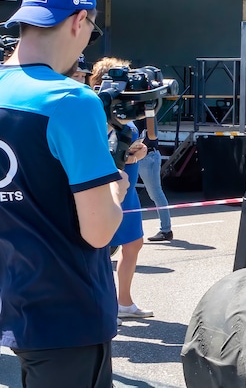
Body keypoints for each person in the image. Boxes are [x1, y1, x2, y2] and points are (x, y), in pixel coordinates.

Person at [0, 0, 125, 387]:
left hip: (12, 299)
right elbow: (100, 231)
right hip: (69, 310)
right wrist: (117, 190)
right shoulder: (71, 100)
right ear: (77, 20)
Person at [90, 57, 154, 323]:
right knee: (103, 249)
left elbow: (129, 150)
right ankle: (104, 305)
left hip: (127, 188)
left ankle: (124, 302)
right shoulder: (97, 114)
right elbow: (97, 154)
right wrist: (126, 157)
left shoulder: (126, 114)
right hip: (110, 188)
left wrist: (138, 153)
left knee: (133, 244)